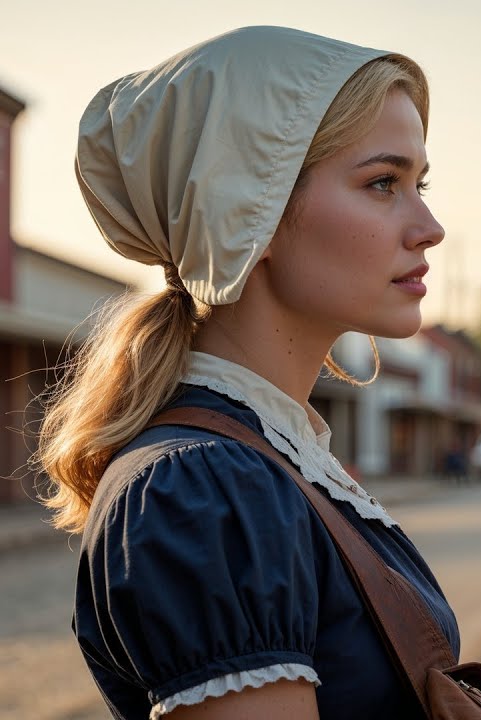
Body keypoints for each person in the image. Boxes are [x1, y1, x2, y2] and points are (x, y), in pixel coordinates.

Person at [38, 26, 452, 718]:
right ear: (247, 210)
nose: (430, 225)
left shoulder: (273, 460)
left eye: (419, 183)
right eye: (383, 183)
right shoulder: (205, 487)